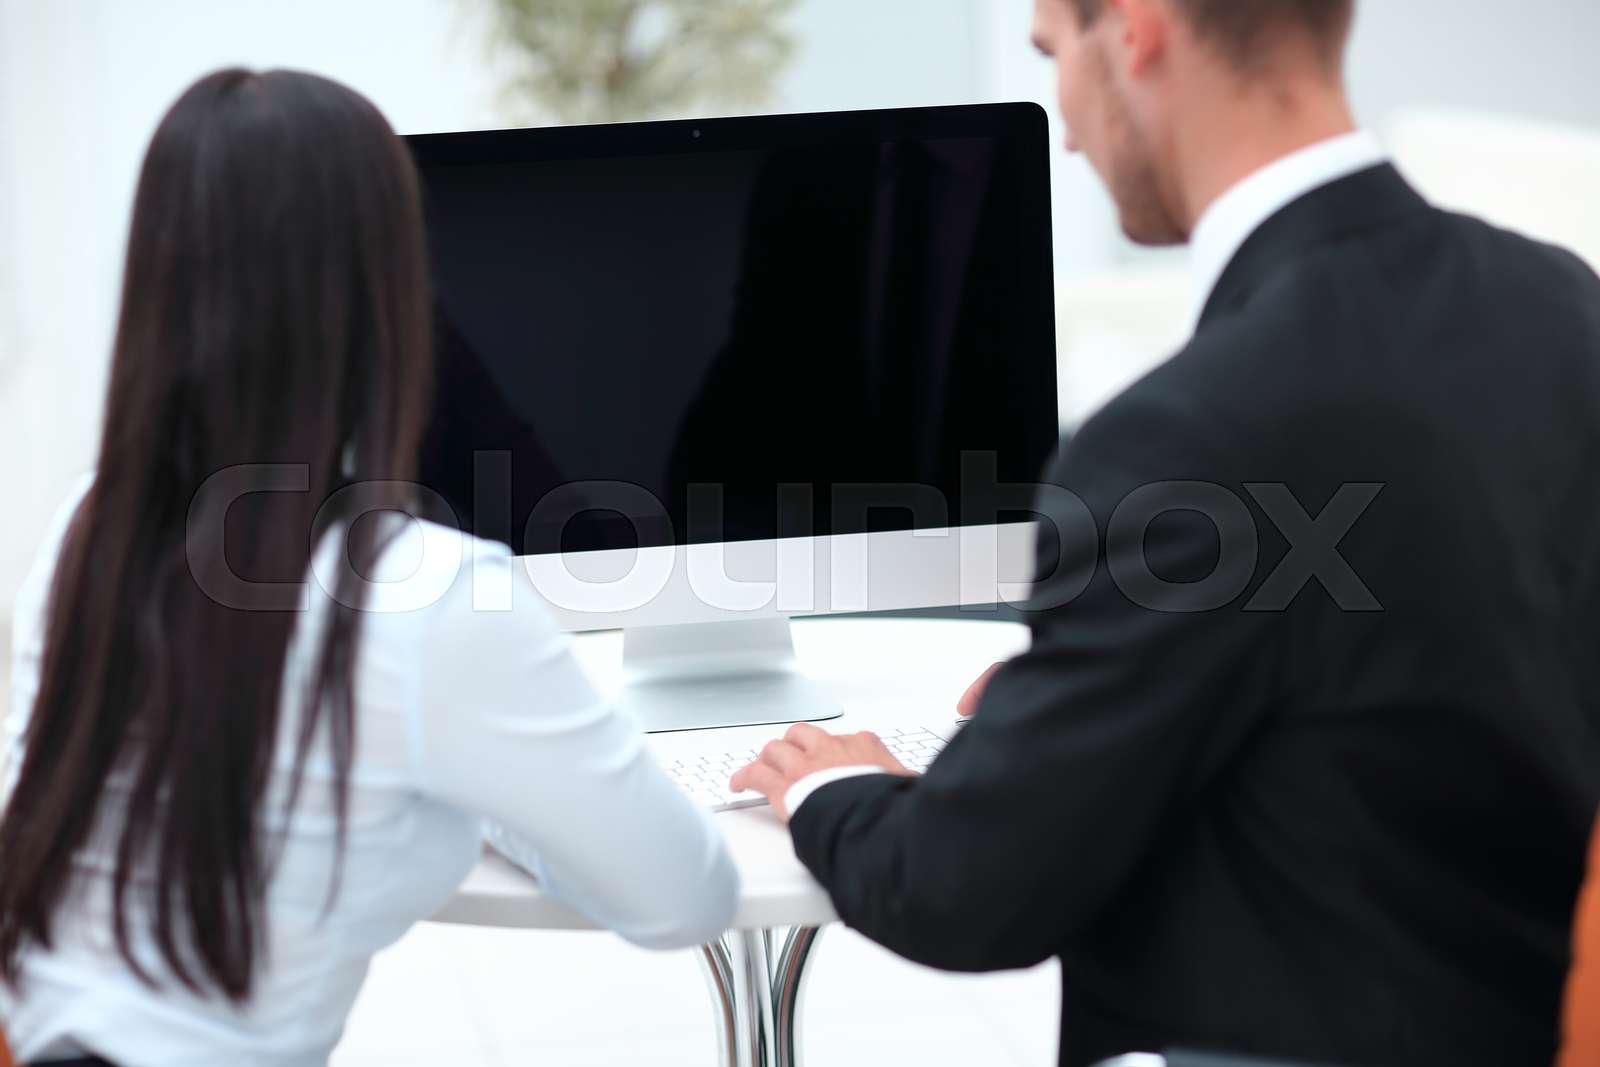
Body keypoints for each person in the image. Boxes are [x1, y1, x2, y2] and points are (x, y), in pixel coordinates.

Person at [731, 0, 1600, 1064]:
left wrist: (829, 781)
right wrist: (1092, 690)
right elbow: (1424, 681)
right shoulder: (1558, 307)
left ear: (1135, 32)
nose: (1066, 126)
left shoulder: (1182, 435)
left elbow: (962, 892)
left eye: (1054, 54)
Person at [0, 69, 737, 1067]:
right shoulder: (428, 596)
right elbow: (687, 896)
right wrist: (490, 784)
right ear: (390, 282)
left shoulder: (91, 525)